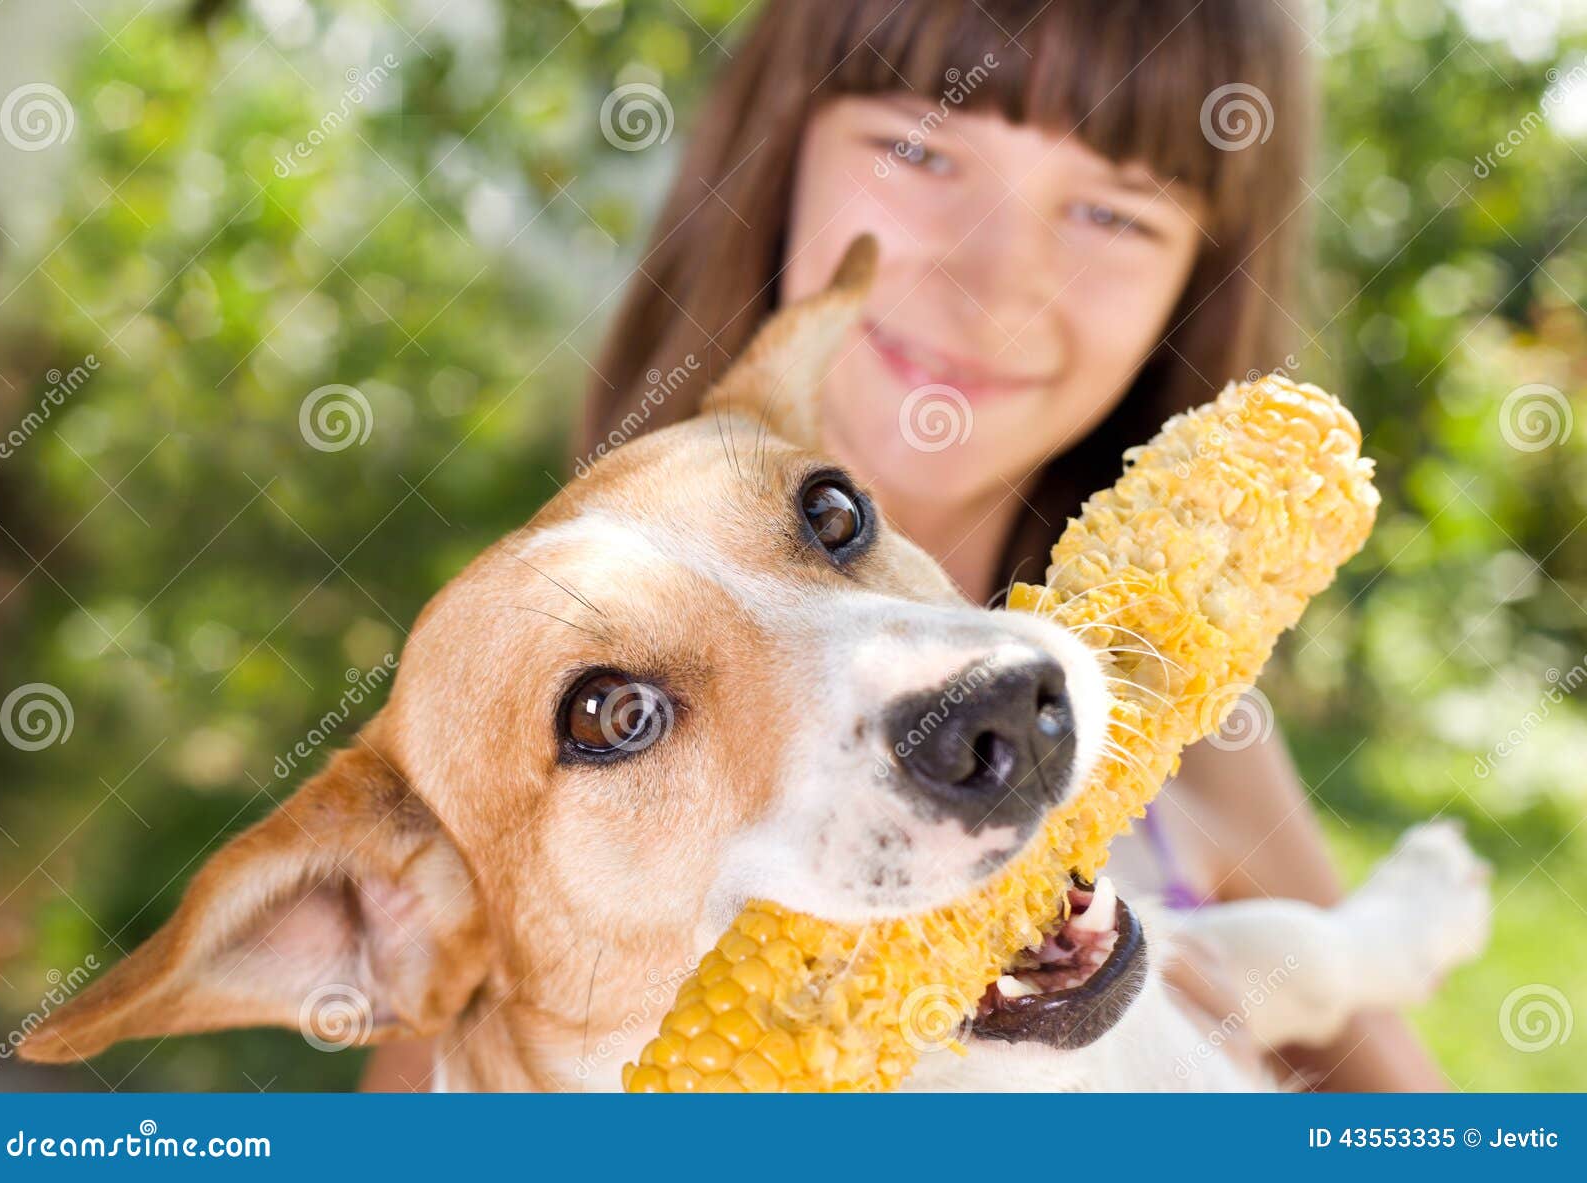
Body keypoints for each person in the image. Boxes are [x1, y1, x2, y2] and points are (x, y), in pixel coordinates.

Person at [365, 0, 1444, 1091]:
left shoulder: (1194, 721)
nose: (992, 286)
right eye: (918, 147)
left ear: (1193, 286)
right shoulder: (513, 770)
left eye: (1116, 214)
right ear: (778, 160)